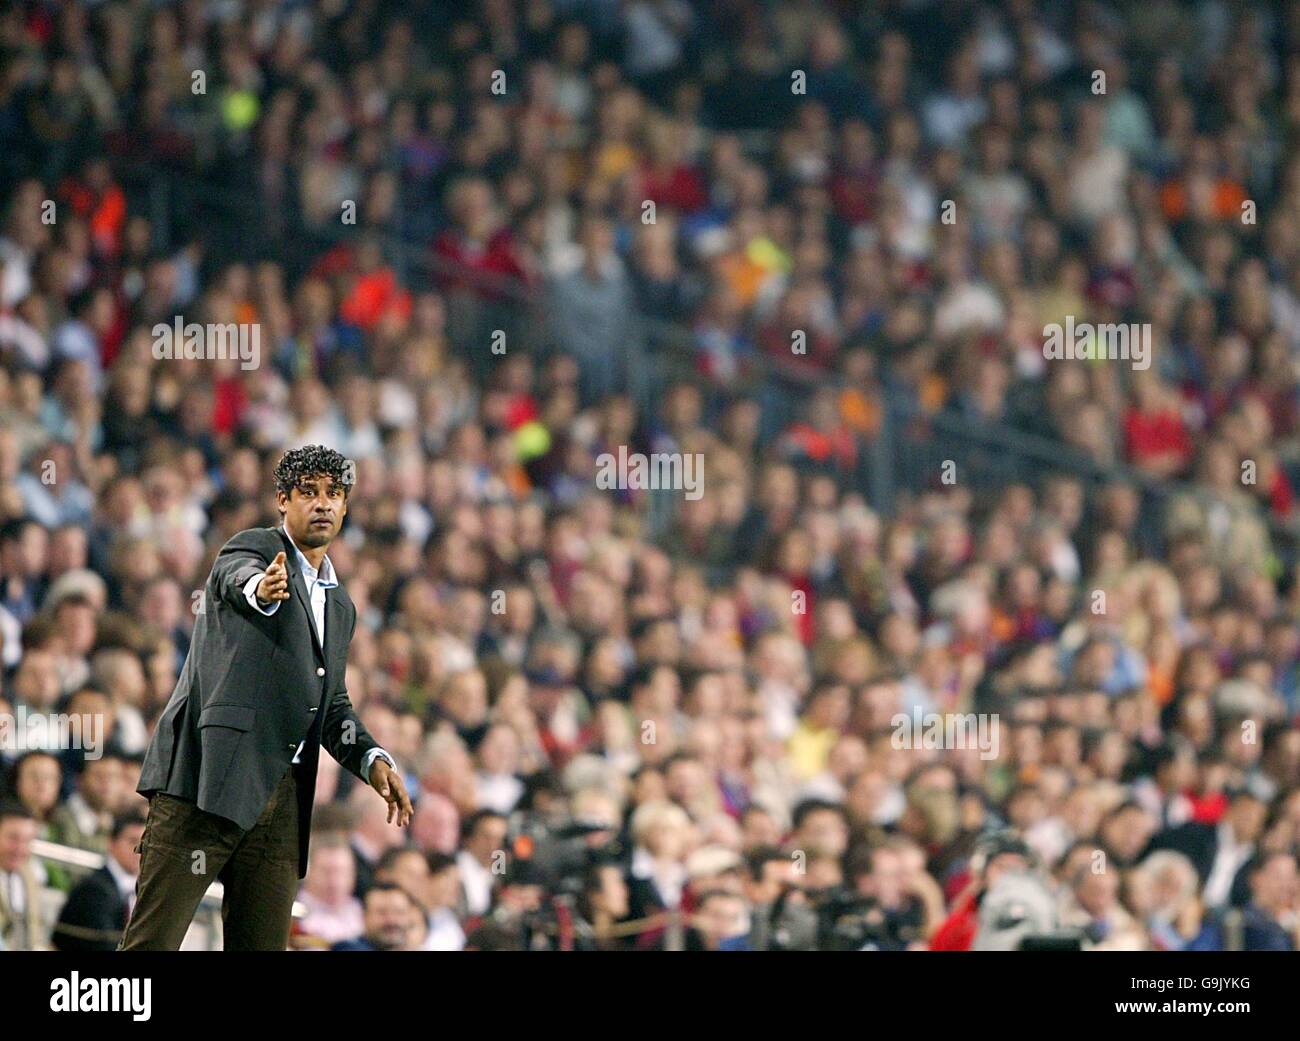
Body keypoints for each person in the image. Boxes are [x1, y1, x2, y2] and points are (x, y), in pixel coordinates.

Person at [119, 446, 413, 951]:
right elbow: (239, 581)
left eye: (334, 494)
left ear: (345, 508)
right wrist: (263, 587)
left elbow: (331, 704)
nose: (322, 504)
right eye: (309, 493)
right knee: (151, 946)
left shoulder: (340, 606)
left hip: (282, 801)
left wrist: (371, 759)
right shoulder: (253, 548)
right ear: (283, 499)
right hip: (205, 780)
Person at [52, 813, 146, 951]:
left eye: (144, 845)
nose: (139, 851)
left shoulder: (137, 890)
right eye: (132, 841)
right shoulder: (93, 889)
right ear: (111, 842)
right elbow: (104, 944)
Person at [330, 883, 422, 951]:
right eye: (382, 912)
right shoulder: (347, 947)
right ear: (364, 916)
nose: (391, 920)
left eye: (399, 912)